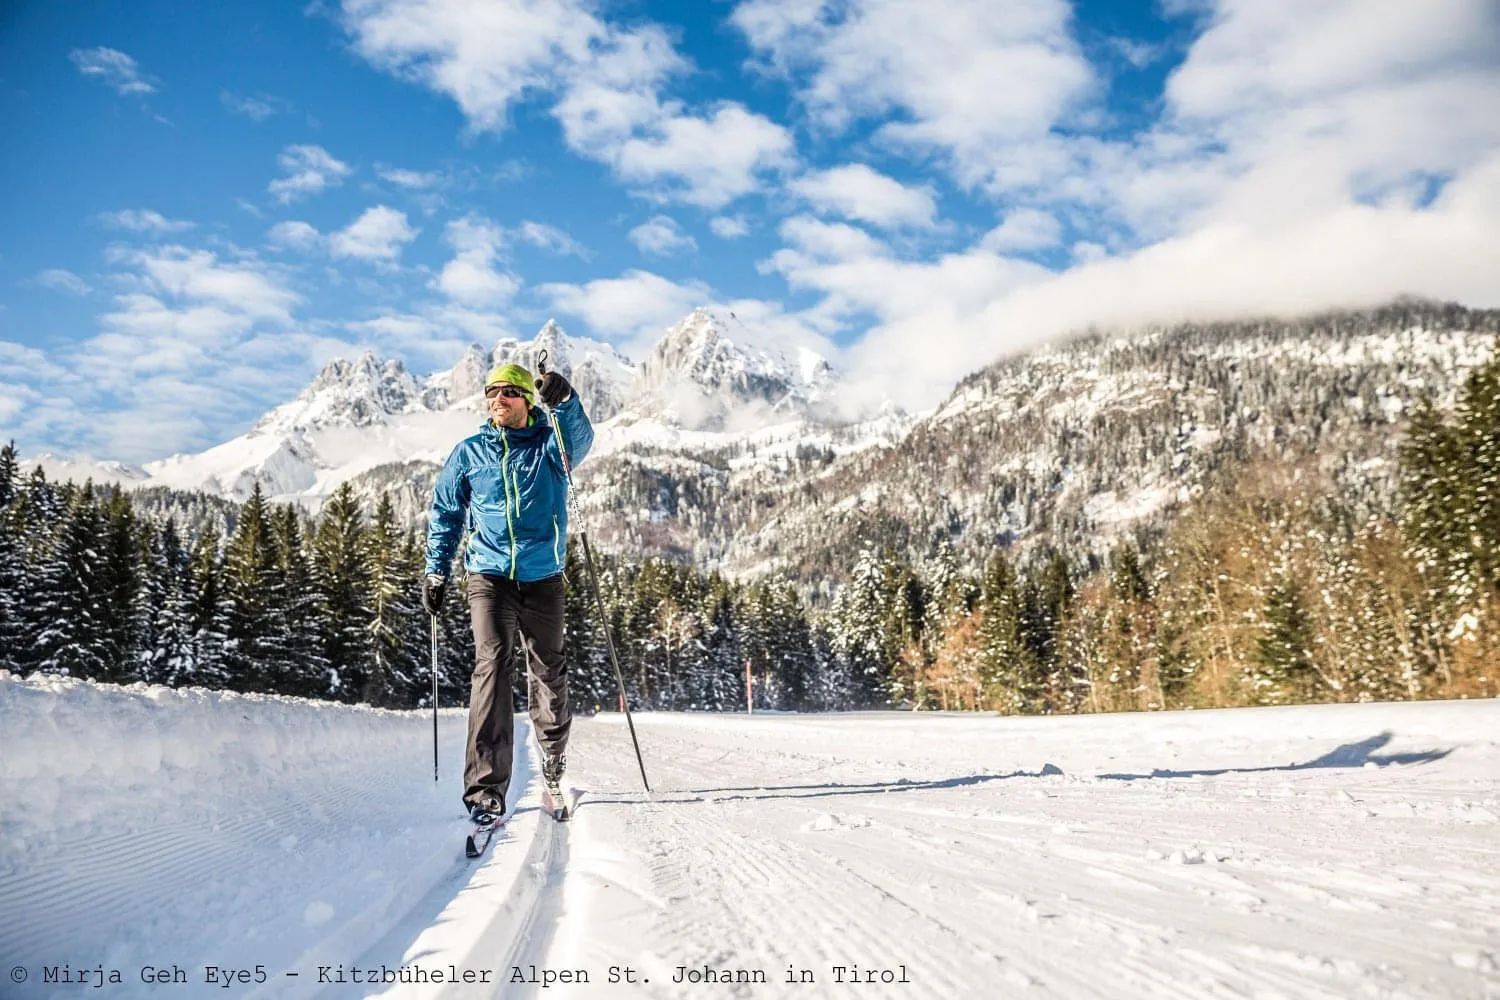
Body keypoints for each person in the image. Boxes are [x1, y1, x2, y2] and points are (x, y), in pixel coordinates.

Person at [421, 361, 593, 825]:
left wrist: (565, 399)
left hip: (543, 576)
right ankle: (484, 790)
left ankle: (553, 758)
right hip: (489, 577)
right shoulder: (470, 452)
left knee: (548, 670)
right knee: (491, 666)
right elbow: (446, 514)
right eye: (492, 391)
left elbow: (581, 440)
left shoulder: (550, 445)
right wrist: (435, 572)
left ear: (527, 400)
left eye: (509, 392)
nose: (499, 399)